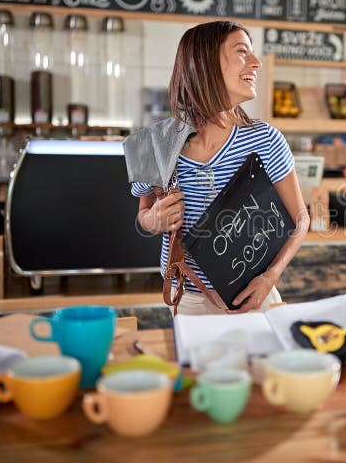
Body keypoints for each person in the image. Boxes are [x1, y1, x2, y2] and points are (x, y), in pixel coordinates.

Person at [125, 21, 309, 315]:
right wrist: (154, 219)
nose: (257, 63)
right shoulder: (156, 144)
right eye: (242, 52)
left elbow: (300, 220)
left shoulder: (266, 140)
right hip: (186, 300)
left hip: (253, 298)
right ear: (205, 63)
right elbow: (143, 216)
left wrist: (269, 278)